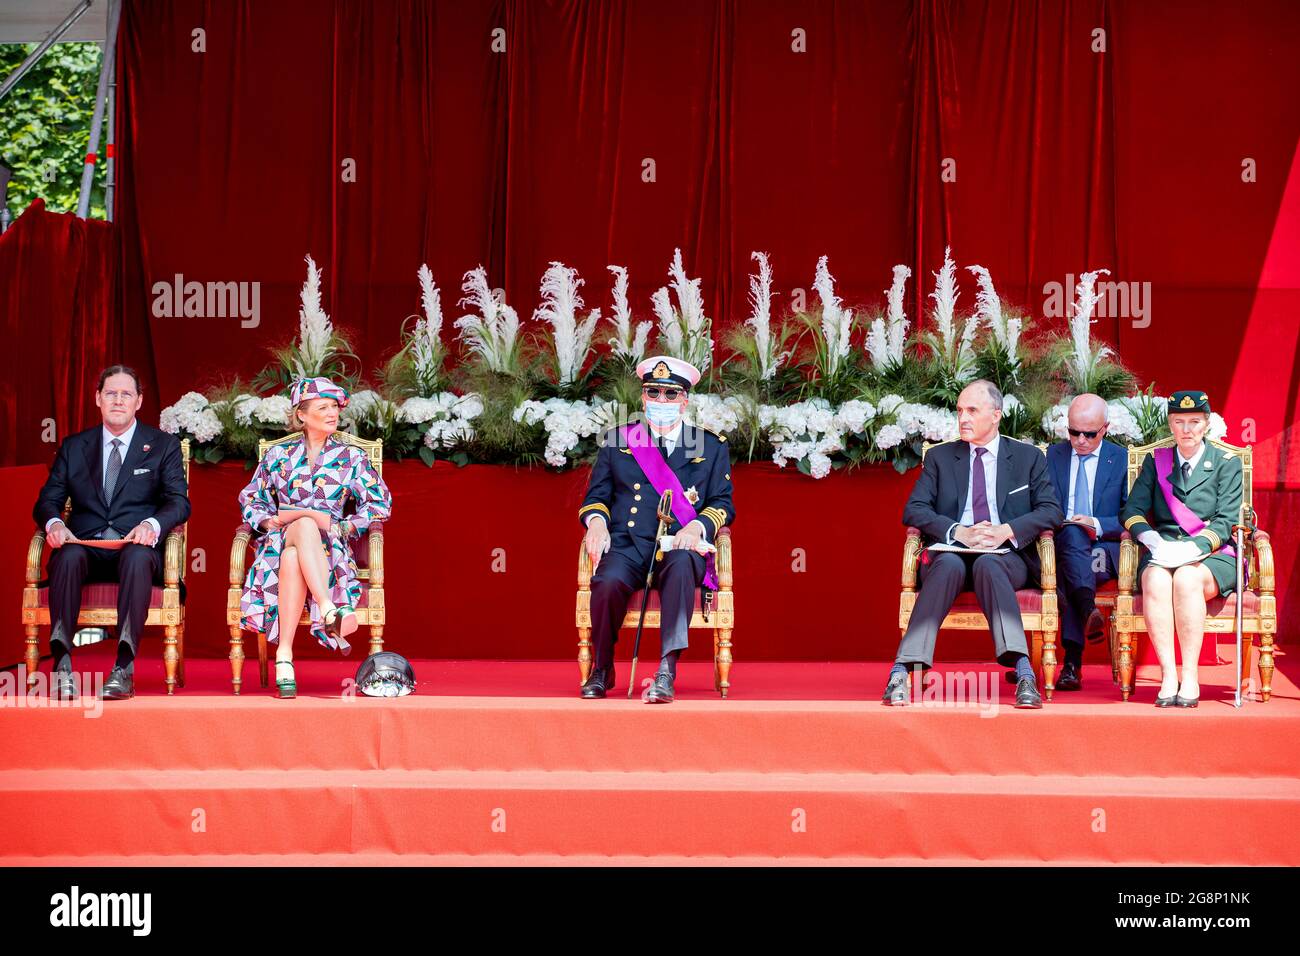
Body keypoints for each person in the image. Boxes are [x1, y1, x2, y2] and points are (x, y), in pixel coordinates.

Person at [884, 379, 1063, 709]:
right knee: (949, 565)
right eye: (959, 411)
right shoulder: (940, 457)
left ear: (996, 415)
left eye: (972, 411)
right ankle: (902, 669)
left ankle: (1024, 673)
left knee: (989, 563)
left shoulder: (1026, 458)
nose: (963, 418)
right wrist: (958, 531)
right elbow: (915, 509)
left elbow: (1051, 511)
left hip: (1004, 556)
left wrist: (1005, 530)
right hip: (951, 552)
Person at [579, 355, 733, 703]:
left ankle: (666, 669)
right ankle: (602, 668)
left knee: (680, 567)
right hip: (629, 544)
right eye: (653, 392)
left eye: (670, 394)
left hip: (680, 543)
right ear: (643, 397)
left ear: (684, 400)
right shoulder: (618, 441)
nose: (661, 401)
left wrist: (697, 525)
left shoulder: (710, 445)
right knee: (606, 581)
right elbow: (597, 496)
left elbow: (723, 504)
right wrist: (597, 523)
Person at [32, 365, 191, 700]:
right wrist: (55, 524)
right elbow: (47, 501)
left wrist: (152, 526)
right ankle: (62, 666)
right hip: (85, 545)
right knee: (67, 556)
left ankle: (123, 669)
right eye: (111, 394)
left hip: (134, 545)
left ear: (139, 401)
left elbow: (179, 502)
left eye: (126, 394)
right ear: (98, 399)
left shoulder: (162, 445)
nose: (118, 400)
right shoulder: (75, 446)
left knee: (137, 558)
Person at [238, 377, 392, 698]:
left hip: (329, 549)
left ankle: (284, 656)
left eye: (335, 406)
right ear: (302, 416)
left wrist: (347, 527)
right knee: (302, 526)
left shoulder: (351, 457)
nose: (332, 412)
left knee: (300, 546)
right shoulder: (277, 456)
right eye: (323, 407)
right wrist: (268, 520)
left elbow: (380, 503)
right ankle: (329, 607)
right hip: (277, 542)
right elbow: (251, 498)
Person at [1120, 391, 1243, 708]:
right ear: (1170, 426)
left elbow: (1227, 520)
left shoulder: (1226, 464)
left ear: (1206, 425)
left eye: (1194, 422)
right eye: (1179, 422)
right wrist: (1150, 539)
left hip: (1213, 554)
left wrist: (1193, 548)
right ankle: (1168, 675)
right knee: (1157, 580)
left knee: (1187, 579)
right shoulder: (1156, 462)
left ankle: (1190, 675)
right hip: (1164, 550)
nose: (1187, 429)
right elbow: (1132, 510)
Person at [1040, 394, 1128, 691]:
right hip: (1062, 541)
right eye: (1073, 431)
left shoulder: (1121, 460)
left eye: (1089, 434)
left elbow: (1135, 516)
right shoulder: (1053, 455)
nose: (1079, 440)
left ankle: (1070, 662)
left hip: (1103, 549)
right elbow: (1040, 505)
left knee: (1069, 567)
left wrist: (1097, 524)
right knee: (1071, 539)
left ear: (1105, 428)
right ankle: (1086, 608)